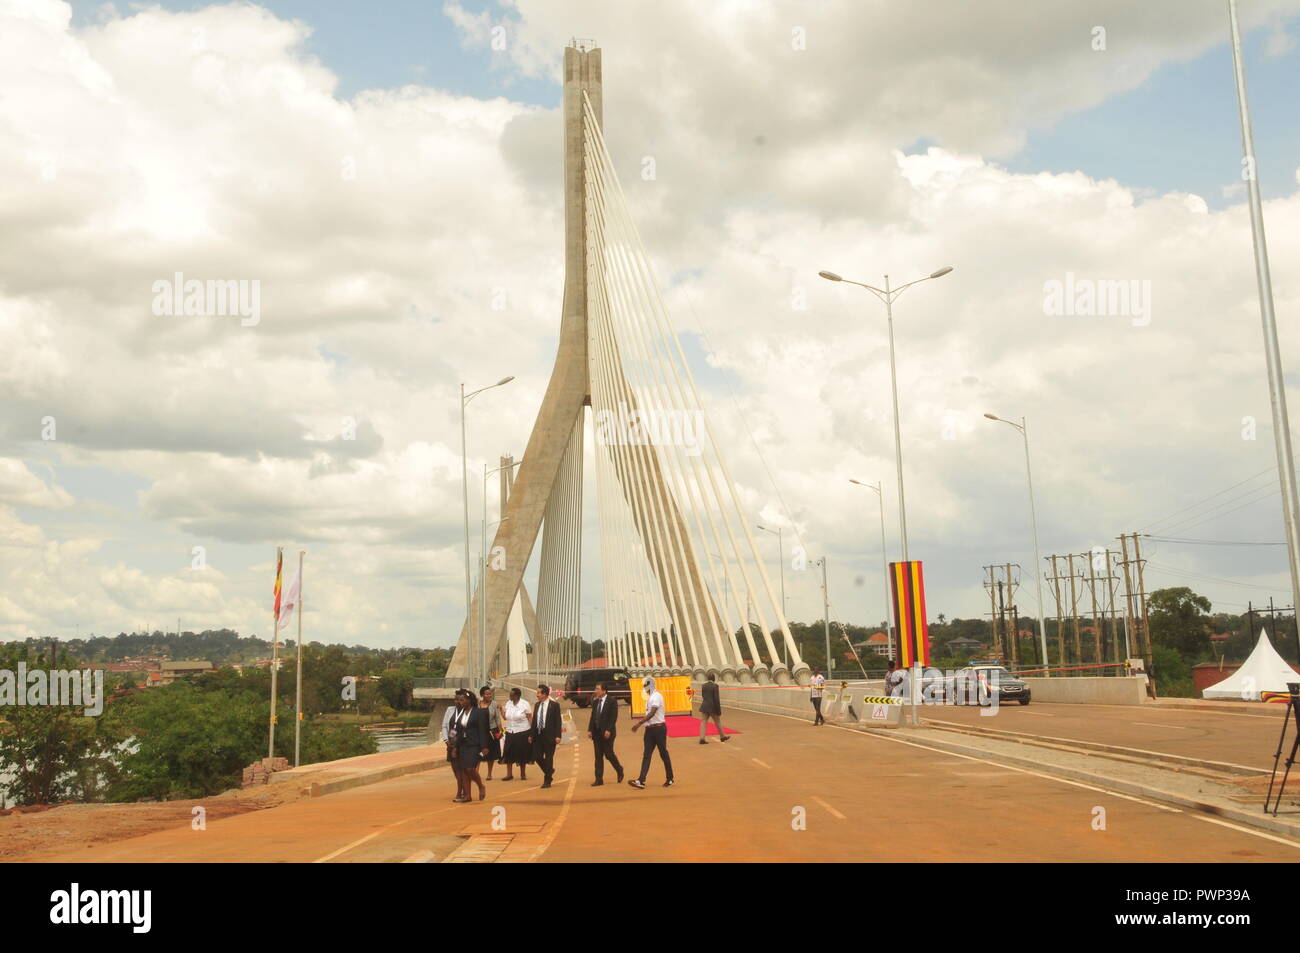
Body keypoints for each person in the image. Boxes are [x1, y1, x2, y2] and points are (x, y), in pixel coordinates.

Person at [628, 675, 673, 789]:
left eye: (645, 686)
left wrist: (639, 723)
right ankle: (641, 780)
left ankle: (670, 777)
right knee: (647, 755)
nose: (644, 689)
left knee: (663, 753)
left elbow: (652, 712)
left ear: (651, 686)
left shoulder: (656, 696)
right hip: (650, 730)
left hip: (658, 729)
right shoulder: (650, 697)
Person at [449, 688, 491, 803]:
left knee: (470, 768)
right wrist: (454, 747)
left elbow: (483, 730)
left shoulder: (479, 712)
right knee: (464, 770)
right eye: (459, 700)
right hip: (463, 745)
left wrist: (484, 746)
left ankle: (481, 785)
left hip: (474, 745)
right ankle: (468, 796)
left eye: (462, 700)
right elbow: (457, 731)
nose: (460, 702)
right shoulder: (461, 713)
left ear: (469, 700)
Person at [586, 681, 623, 786]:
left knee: (608, 754)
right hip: (597, 733)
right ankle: (599, 779)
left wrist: (609, 730)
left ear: (604, 690)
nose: (595, 691)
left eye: (597, 689)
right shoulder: (596, 702)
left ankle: (619, 769)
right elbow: (593, 717)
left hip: (608, 733)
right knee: (598, 756)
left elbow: (613, 717)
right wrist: (590, 730)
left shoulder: (612, 701)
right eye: (595, 689)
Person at [531, 684, 562, 789]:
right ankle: (549, 771)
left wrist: (558, 735)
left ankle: (547, 780)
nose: (537, 695)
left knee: (549, 758)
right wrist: (531, 734)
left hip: (550, 736)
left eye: (539, 693)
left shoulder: (554, 705)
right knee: (537, 756)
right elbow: (534, 721)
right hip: (539, 735)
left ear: (544, 694)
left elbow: (558, 721)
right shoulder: (537, 705)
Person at [500, 686, 533, 782]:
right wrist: (501, 710)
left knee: (522, 753)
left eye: (512, 695)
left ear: (517, 696)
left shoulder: (525, 704)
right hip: (510, 731)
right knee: (508, 751)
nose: (510, 696)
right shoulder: (508, 703)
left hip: (522, 731)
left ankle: (523, 773)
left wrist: (532, 732)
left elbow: (530, 718)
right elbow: (505, 718)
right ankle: (509, 774)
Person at [480, 686, 503, 780]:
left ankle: (489, 773)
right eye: (487, 694)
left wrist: (501, 731)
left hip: (492, 732)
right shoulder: (477, 704)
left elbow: (497, 718)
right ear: (482, 695)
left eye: (490, 694)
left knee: (491, 753)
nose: (489, 695)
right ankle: (475, 772)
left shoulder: (494, 704)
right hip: (480, 732)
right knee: (478, 752)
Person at [698, 673, 729, 744]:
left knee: (703, 722)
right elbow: (716, 699)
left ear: (708, 678)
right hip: (712, 707)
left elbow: (703, 696)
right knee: (717, 722)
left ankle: (702, 738)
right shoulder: (715, 686)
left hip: (704, 706)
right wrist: (719, 710)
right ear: (714, 678)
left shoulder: (704, 686)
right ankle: (722, 736)